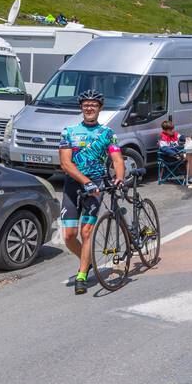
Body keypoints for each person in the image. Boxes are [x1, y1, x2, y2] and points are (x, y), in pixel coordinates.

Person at [58, 90, 125, 296]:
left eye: (93, 105)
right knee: (69, 236)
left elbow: (116, 159)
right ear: (81, 108)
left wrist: (120, 177)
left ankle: (82, 275)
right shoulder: (69, 131)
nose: (89, 108)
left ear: (99, 109)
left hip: (95, 187)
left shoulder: (107, 133)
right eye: (86, 105)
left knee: (86, 232)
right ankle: (86, 261)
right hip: (73, 185)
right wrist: (84, 181)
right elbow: (65, 163)